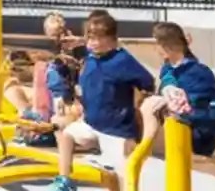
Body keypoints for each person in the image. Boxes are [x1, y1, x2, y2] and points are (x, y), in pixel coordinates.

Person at [50, 11, 153, 191]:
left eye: (98, 39)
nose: (93, 44)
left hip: (116, 131)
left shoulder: (122, 60)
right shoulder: (92, 57)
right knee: (66, 134)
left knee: (121, 180)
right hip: (92, 125)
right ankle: (64, 179)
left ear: (112, 39)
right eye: (90, 39)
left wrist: (141, 113)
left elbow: (147, 82)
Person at [139, 22, 215, 158]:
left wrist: (185, 115)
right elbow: (168, 76)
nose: (155, 49)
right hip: (179, 135)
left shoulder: (198, 73)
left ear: (168, 47)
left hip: (197, 140)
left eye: (157, 44)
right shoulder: (171, 69)